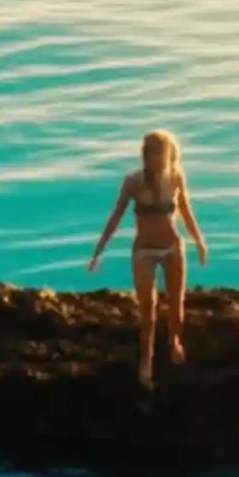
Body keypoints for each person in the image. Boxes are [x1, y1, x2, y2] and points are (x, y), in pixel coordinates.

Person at [87, 129, 209, 389]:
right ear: (147, 155)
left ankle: (174, 341)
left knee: (177, 302)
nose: (160, 159)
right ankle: (146, 362)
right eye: (155, 154)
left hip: (173, 247)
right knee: (148, 313)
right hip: (144, 250)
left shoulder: (176, 177)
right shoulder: (133, 182)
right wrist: (99, 250)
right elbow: (115, 217)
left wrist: (199, 241)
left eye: (164, 154)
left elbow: (186, 212)